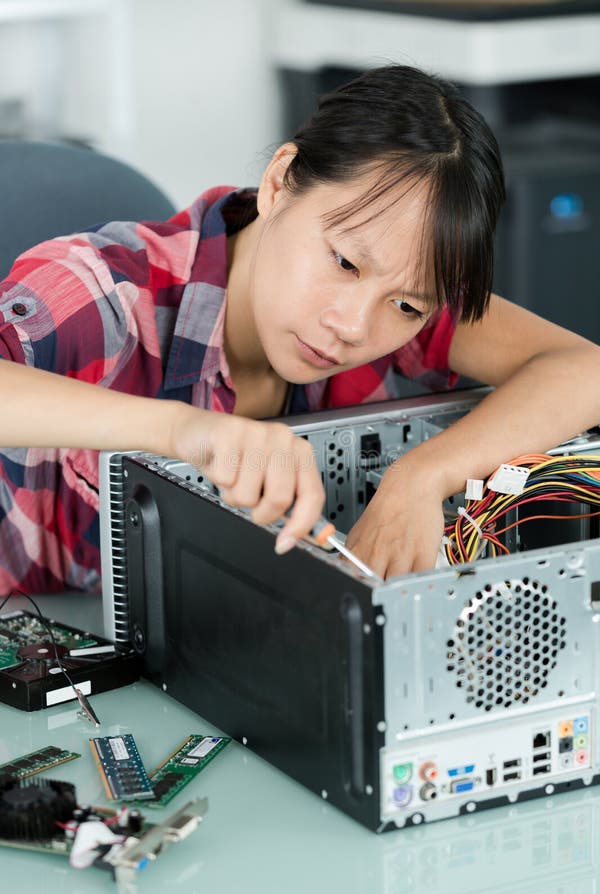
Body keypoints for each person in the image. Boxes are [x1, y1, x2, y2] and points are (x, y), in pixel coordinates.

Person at [0, 64, 599, 592]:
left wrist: (424, 475)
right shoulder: (98, 292)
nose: (353, 326)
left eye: (408, 307)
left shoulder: (408, 306)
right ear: (280, 183)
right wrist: (185, 431)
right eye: (344, 262)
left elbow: (585, 370)